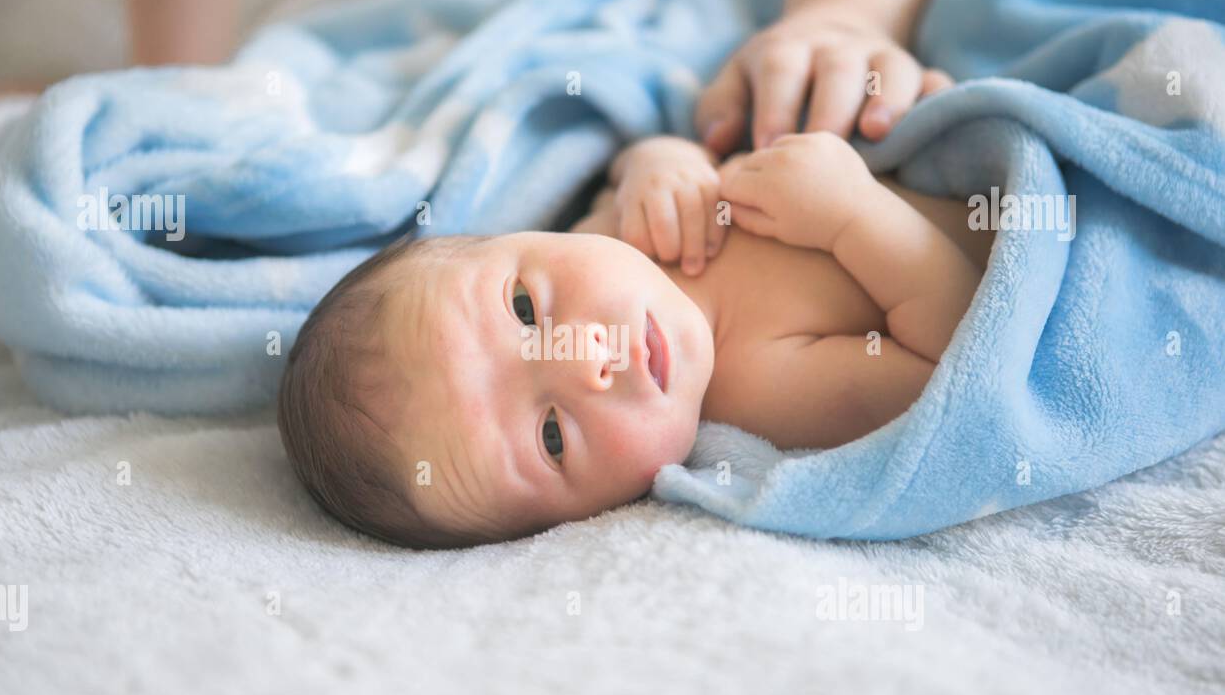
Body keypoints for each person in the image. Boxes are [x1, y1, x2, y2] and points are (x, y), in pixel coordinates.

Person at [276, 130, 990, 547]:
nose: (584, 359)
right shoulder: (765, 383)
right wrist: (854, 214)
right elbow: (962, 360)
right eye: (551, 437)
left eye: (523, 308)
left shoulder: (610, 236)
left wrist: (659, 162)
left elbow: (639, 149)